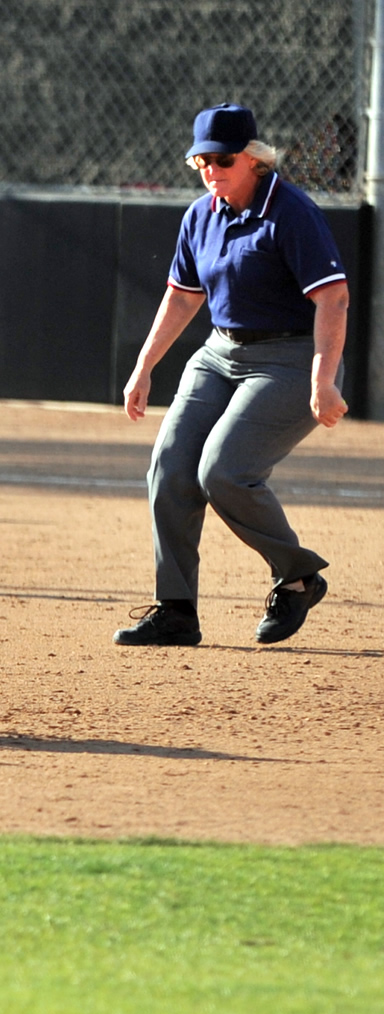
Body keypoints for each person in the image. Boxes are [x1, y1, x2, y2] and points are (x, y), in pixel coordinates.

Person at [115, 103, 349, 648]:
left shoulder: (289, 212)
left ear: (253, 159)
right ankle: (176, 610)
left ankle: (296, 577)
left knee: (223, 470)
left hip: (290, 357)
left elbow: (333, 298)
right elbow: (181, 296)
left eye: (222, 159)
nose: (211, 170)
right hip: (220, 353)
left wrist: (323, 378)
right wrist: (144, 367)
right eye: (201, 161)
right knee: (170, 465)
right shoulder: (201, 214)